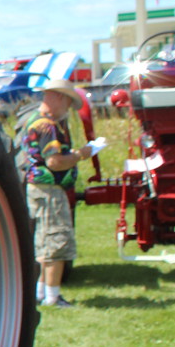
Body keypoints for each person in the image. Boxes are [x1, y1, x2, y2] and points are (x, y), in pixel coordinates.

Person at [21, 79, 105, 308]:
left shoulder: (33, 121)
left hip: (39, 190)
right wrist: (82, 153)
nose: (68, 108)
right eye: (68, 101)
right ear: (58, 97)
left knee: (44, 243)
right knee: (56, 243)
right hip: (50, 191)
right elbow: (55, 162)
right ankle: (53, 297)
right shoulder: (47, 126)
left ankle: (41, 293)